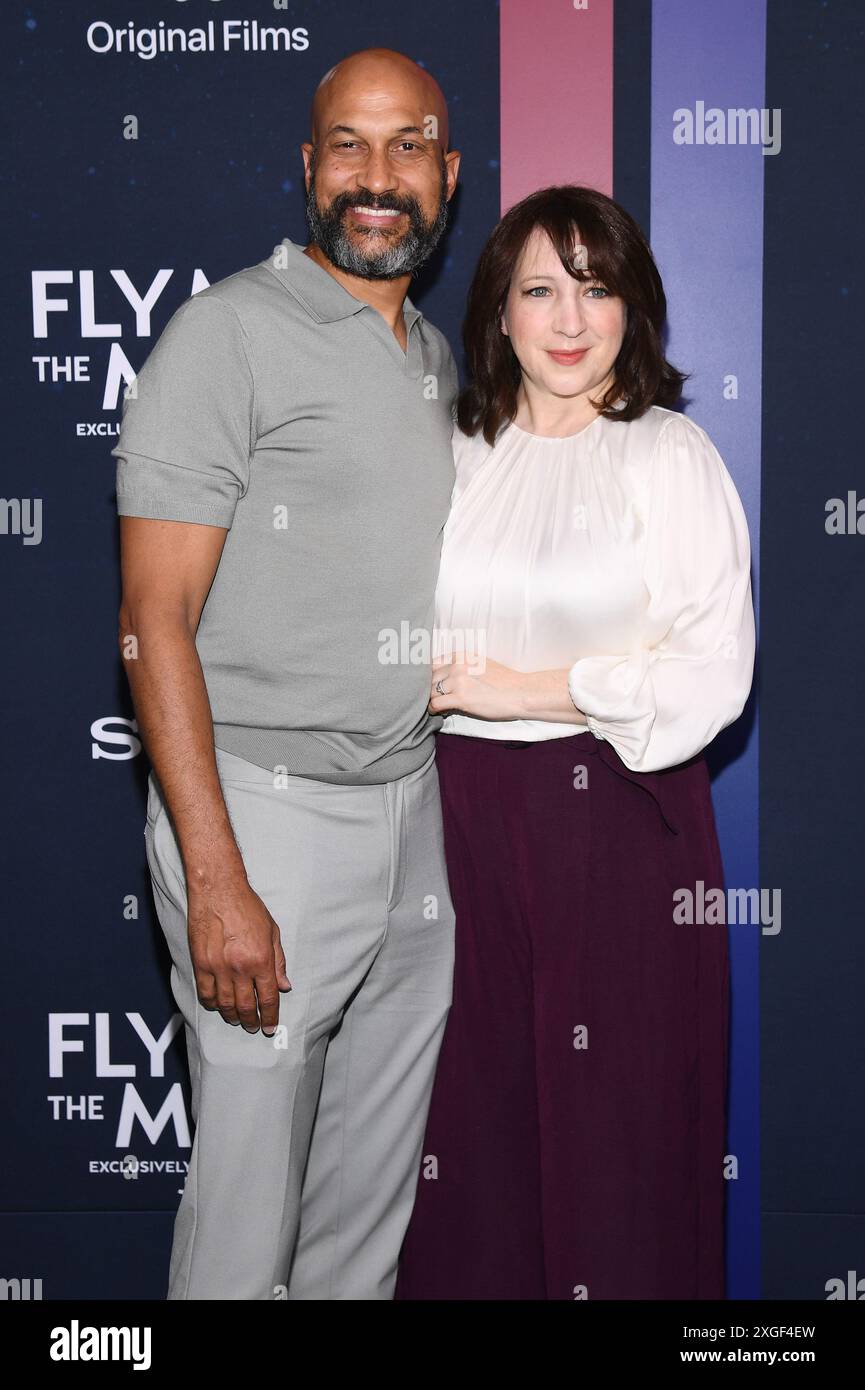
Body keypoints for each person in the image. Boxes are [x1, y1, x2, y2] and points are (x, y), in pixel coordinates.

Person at [113, 48, 461, 1301]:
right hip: (262, 815)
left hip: (412, 816)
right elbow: (153, 616)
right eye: (350, 147)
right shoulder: (227, 335)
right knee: (244, 1221)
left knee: (362, 1215)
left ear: (447, 173)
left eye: (408, 145)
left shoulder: (441, 356)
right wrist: (217, 876)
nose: (379, 178)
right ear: (309, 169)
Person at [395, 185, 756, 1300]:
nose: (566, 317)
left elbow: (713, 673)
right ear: (496, 310)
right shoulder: (455, 451)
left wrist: (527, 687)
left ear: (632, 308)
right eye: (539, 288)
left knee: (621, 1137)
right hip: (454, 828)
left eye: (594, 287)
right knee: (470, 1134)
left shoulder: (668, 455)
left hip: (618, 823)